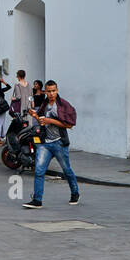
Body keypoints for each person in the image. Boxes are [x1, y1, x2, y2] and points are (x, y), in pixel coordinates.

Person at [23, 80, 79, 208]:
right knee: (39, 171)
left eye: (54, 91)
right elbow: (43, 122)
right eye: (49, 91)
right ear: (45, 92)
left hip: (59, 142)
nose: (51, 93)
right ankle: (37, 200)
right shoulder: (45, 104)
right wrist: (35, 115)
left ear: (57, 91)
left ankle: (75, 193)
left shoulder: (63, 105)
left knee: (66, 170)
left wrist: (51, 120)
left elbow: (69, 125)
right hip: (45, 143)